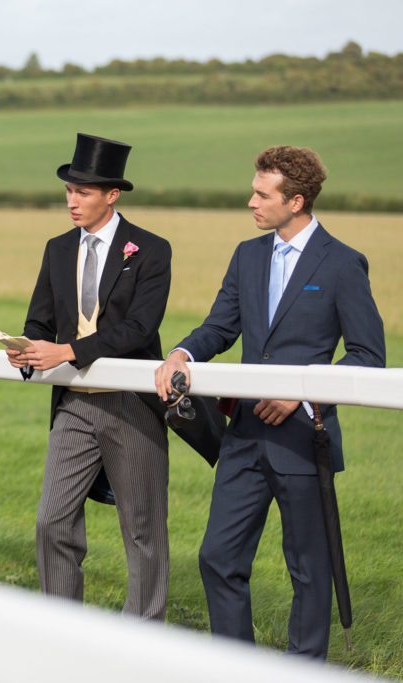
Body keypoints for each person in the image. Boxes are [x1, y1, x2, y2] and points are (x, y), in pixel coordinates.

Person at [154, 146, 385, 658]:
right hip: (244, 440)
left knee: (308, 570)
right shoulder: (248, 254)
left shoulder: (345, 264)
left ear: (296, 200)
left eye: (263, 194)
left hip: (305, 441)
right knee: (217, 557)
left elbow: (368, 357)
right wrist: (182, 352)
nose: (251, 201)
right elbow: (221, 325)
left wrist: (303, 392)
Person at [8, 133, 172, 620]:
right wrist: (24, 347)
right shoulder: (57, 248)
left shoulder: (151, 249)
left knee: (142, 530)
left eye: (83, 192)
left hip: (133, 404)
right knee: (51, 521)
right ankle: (63, 633)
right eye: (68, 191)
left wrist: (68, 350)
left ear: (112, 195)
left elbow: (141, 327)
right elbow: (39, 320)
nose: (72, 201)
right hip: (73, 404)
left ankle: (143, 639)